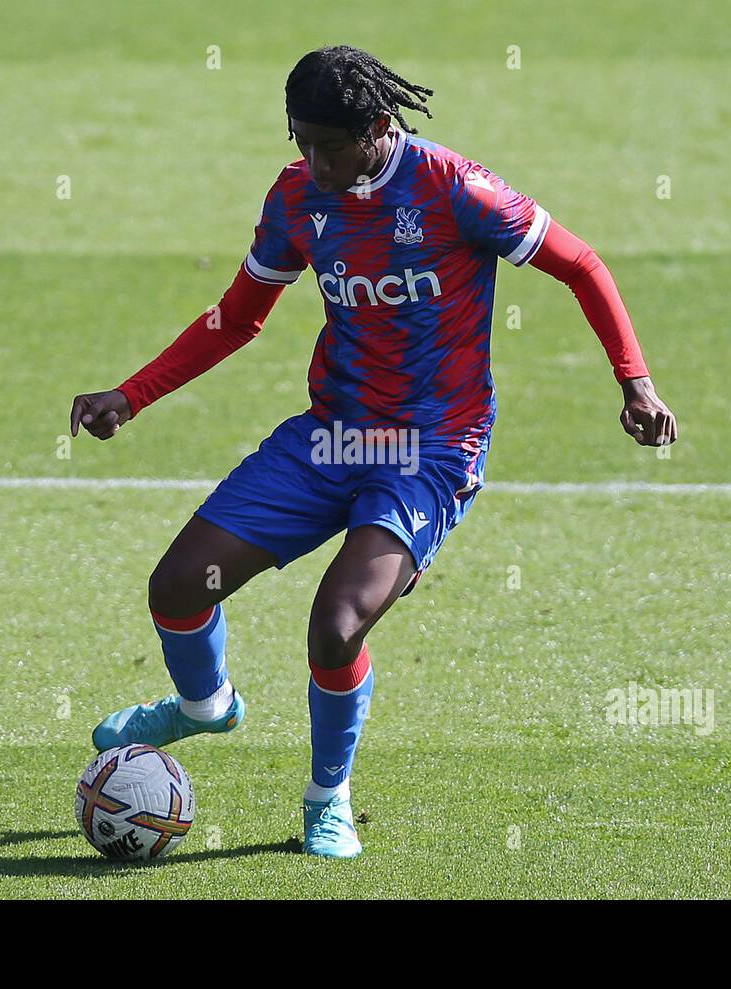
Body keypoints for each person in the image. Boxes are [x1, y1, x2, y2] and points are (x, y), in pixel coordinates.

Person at [70, 44, 677, 858]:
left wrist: (634, 381)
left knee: (337, 621)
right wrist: (131, 393)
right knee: (178, 585)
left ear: (380, 128)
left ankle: (328, 799)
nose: (313, 161)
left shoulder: (454, 188)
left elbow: (581, 264)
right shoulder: (297, 198)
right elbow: (239, 317)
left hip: (431, 449)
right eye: (300, 141)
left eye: (330, 144)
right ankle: (205, 706)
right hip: (333, 434)